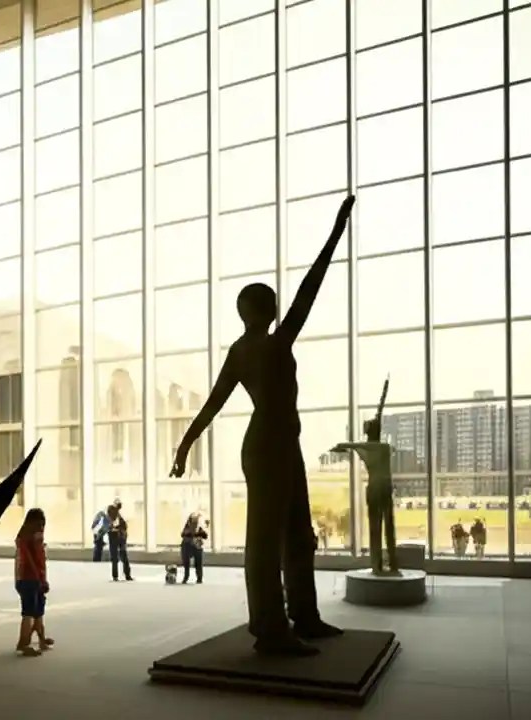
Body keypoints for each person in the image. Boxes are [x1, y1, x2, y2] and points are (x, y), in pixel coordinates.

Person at [170, 195, 354, 656]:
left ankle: (303, 616)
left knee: (298, 535)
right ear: (256, 310)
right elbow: (310, 288)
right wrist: (334, 234)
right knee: (266, 540)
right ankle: (271, 627)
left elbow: (212, 404)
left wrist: (184, 446)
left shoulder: (247, 349)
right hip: (268, 446)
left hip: (281, 444)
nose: (277, 305)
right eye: (269, 301)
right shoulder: (264, 346)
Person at [14, 508, 52, 656]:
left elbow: (40, 561)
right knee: (29, 612)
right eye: (40, 523)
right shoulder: (27, 538)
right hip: (28, 578)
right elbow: (30, 562)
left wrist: (43, 579)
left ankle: (41, 639)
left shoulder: (33, 537)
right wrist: (39, 579)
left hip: (35, 578)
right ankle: (23, 643)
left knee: (38, 611)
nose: (42, 526)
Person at [107, 501, 132, 582]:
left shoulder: (117, 515)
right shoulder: (112, 513)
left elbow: (122, 526)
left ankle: (122, 575)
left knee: (120, 557)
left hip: (119, 537)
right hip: (116, 537)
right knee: (119, 557)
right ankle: (123, 575)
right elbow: (114, 525)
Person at [180, 512, 209, 584]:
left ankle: (199, 578)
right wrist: (190, 535)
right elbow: (183, 534)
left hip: (197, 547)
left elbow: (205, 536)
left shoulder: (200, 528)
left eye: (196, 522)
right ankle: (186, 577)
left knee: (198, 562)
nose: (194, 524)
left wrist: (199, 534)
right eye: (193, 521)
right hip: (187, 546)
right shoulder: (187, 527)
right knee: (186, 563)